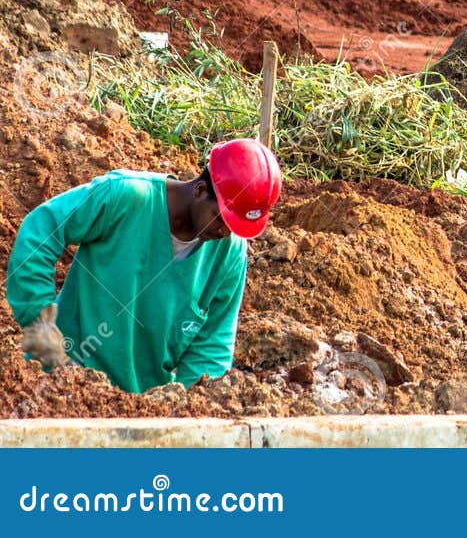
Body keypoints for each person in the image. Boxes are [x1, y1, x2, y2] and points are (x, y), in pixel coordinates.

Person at [6, 138, 282, 394]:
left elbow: (212, 344)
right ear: (200, 189)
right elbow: (41, 230)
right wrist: (38, 318)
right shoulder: (126, 196)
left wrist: (184, 408)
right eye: (221, 218)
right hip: (58, 384)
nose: (225, 232)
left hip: (139, 408)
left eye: (235, 227)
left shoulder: (229, 253)